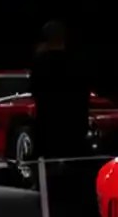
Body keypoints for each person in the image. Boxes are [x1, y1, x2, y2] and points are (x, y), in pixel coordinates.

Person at [30, 20, 90, 160]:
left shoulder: (41, 63)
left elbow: (35, 90)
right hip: (75, 127)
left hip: (49, 128)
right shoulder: (77, 62)